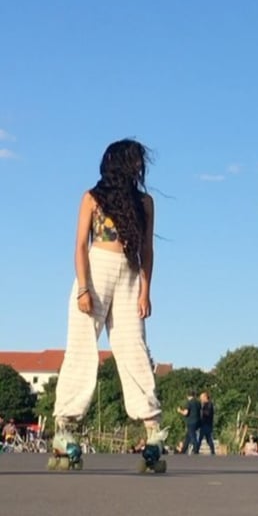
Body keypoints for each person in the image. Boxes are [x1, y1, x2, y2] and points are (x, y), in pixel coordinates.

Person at [52, 139, 167, 458]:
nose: (140, 166)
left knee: (134, 347)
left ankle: (153, 429)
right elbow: (80, 245)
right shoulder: (92, 198)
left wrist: (145, 290)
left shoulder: (145, 203)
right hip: (96, 270)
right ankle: (64, 427)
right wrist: (83, 288)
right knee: (81, 347)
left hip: (130, 274)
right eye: (135, 160)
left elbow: (147, 250)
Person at [196, 391, 216, 455]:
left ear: (205, 397)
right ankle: (212, 451)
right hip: (204, 424)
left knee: (201, 438)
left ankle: (196, 451)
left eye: (201, 398)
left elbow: (208, 413)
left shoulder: (209, 404)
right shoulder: (205, 404)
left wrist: (202, 409)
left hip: (207, 424)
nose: (201, 399)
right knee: (207, 438)